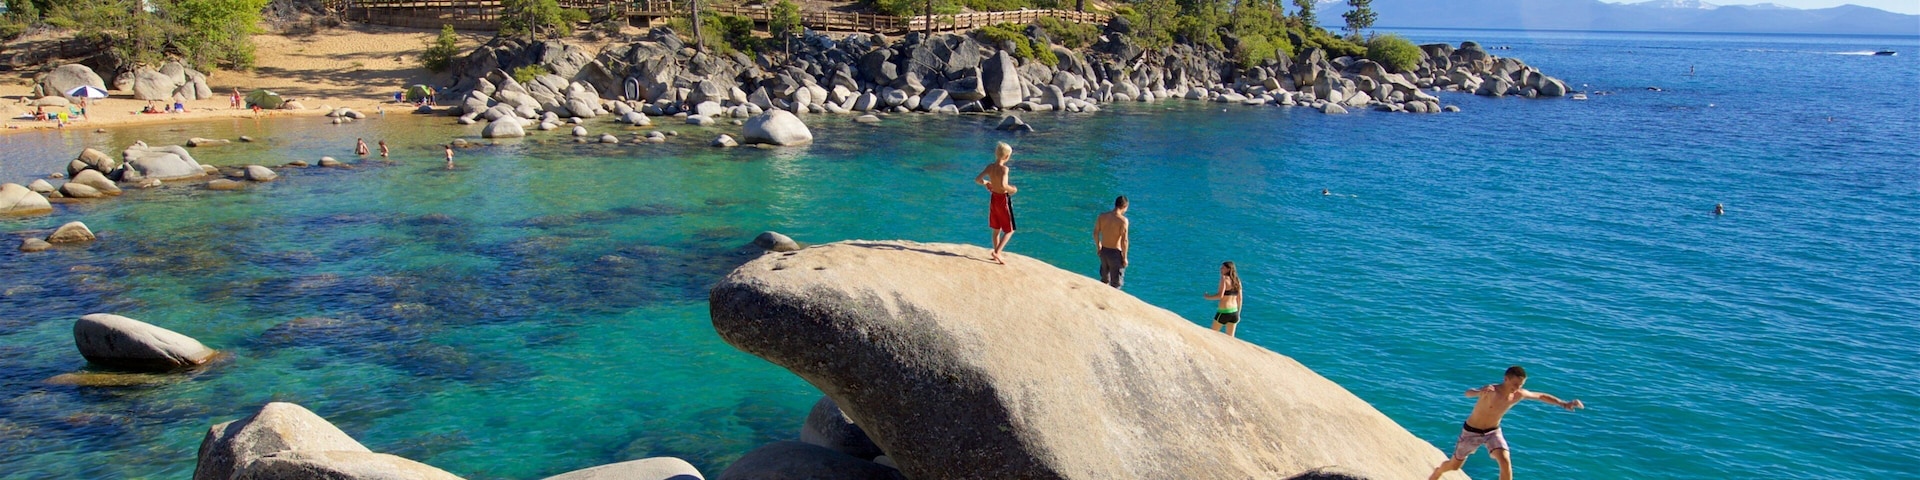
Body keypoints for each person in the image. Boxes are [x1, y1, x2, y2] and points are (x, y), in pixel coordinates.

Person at [1428, 366, 1584, 480]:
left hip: (1493, 432)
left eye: (1521, 385)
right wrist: (1478, 392)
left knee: (1505, 461)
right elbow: (1467, 393)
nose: (1517, 388)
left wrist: (1564, 404)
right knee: (1454, 466)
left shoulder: (1518, 394)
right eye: (1515, 384)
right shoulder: (1491, 390)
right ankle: (1438, 472)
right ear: (1506, 379)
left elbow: (1541, 396)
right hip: (1471, 432)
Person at [973, 142, 1019, 264]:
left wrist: (987, 183)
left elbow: (978, 179)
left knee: (996, 229)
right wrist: (1013, 189)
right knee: (1009, 230)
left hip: (994, 198)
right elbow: (1004, 185)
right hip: (1003, 199)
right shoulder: (1004, 169)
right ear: (1007, 156)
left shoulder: (990, 167)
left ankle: (996, 253)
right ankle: (997, 252)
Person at [1093, 195, 1130, 288]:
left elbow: (1095, 233)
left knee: (1104, 280)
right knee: (1116, 284)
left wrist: (1099, 246)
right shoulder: (1123, 221)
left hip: (1104, 251)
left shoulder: (1102, 216)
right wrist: (1124, 258)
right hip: (1115, 253)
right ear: (1125, 206)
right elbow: (1124, 241)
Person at [1205, 261, 1243, 336]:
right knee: (1230, 338)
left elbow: (1220, 295)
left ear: (1228, 269)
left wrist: (1208, 297)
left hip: (1224, 312)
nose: (1220, 269)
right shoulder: (1237, 280)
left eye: (1223, 268)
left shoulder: (1224, 279)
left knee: (1212, 334)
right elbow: (1240, 299)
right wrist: (1238, 314)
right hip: (1234, 312)